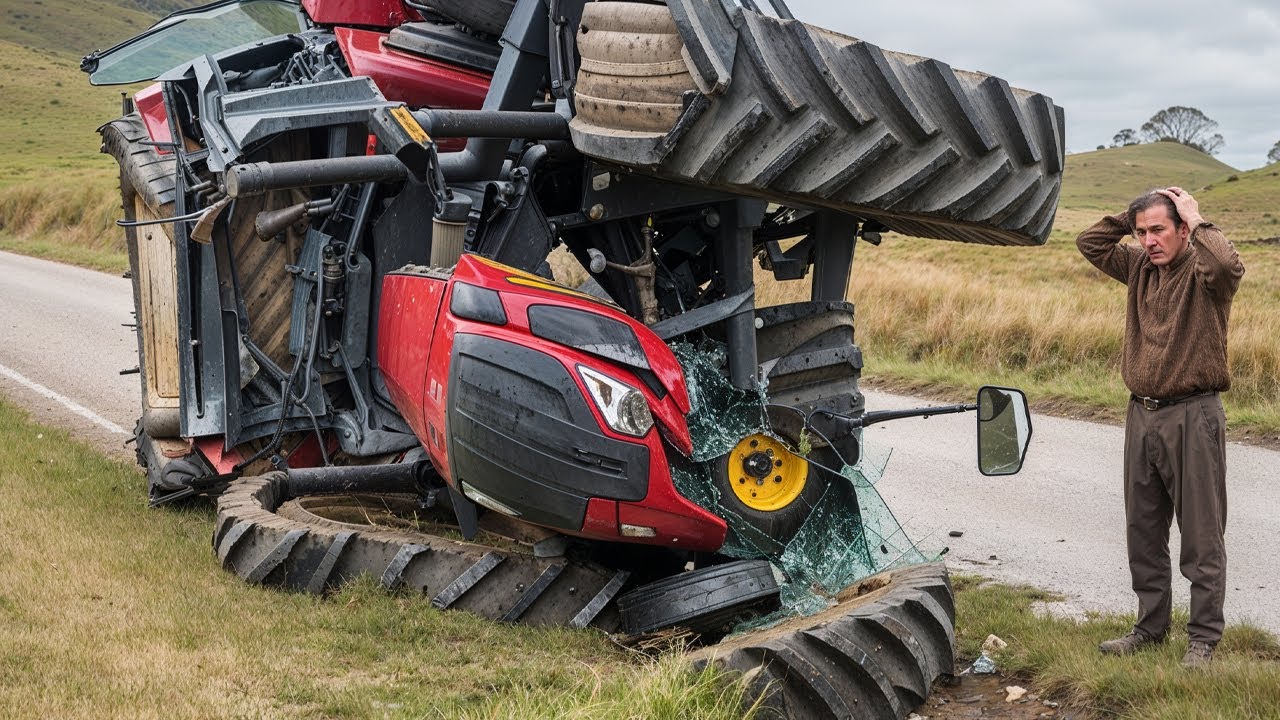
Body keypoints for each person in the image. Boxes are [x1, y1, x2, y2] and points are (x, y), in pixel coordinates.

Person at [1076, 186, 1244, 668]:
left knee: (1201, 535)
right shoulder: (1138, 270)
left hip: (1193, 415)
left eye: (1158, 230)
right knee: (1143, 530)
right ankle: (1150, 628)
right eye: (1141, 231)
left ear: (1183, 230)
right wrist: (1129, 211)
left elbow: (1230, 267)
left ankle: (1204, 639)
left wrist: (1197, 215)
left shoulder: (1203, 272)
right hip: (1141, 414)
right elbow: (1090, 243)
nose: (1148, 240)